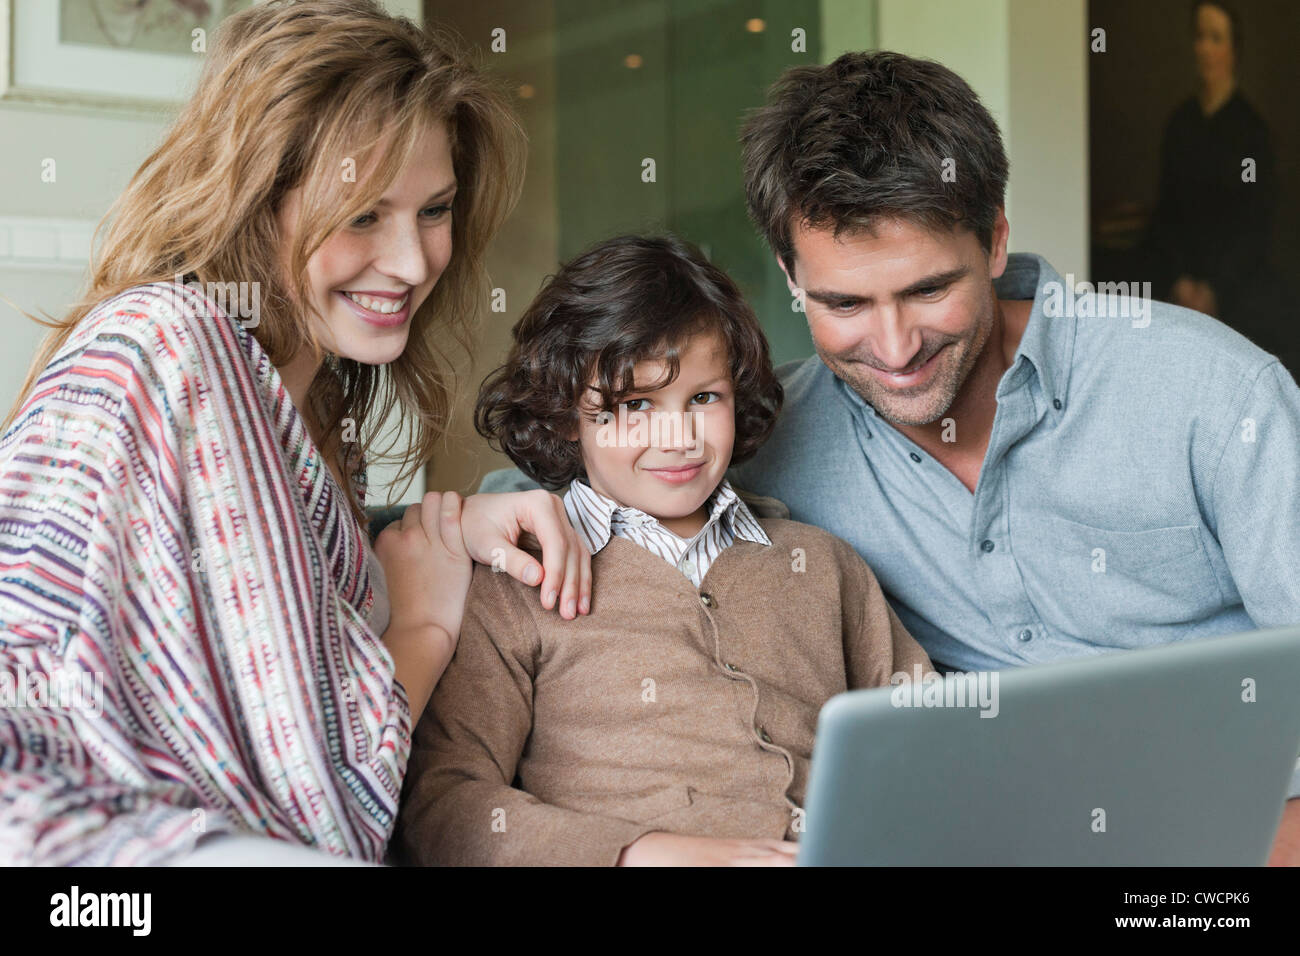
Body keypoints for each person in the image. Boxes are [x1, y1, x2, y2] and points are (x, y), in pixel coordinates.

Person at [480, 50, 1300, 864]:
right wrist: (476, 515)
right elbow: (599, 469)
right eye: (843, 302)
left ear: (995, 239)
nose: (896, 348)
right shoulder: (763, 433)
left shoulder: (1214, 396)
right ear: (790, 277)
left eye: (928, 290)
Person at [0, 0, 592, 867]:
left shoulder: (301, 402)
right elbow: (314, 791)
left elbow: (265, 587)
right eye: (362, 217)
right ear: (253, 204)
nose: (412, 261)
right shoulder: (177, 342)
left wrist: (437, 525)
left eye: (435, 210)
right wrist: (425, 623)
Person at [394, 234, 935, 867]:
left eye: (704, 398)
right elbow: (445, 806)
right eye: (634, 405)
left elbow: (929, 745)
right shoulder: (514, 582)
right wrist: (640, 854)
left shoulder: (822, 566)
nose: (677, 437)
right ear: (568, 417)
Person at [1139, 0, 1293, 376]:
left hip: (1236, 291)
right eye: (1199, 37)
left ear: (1234, 49)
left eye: (1215, 38)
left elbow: (1254, 220)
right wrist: (1180, 281)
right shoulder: (1181, 124)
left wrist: (1212, 289)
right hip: (1178, 285)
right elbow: (1166, 211)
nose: (1204, 47)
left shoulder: (1250, 132)